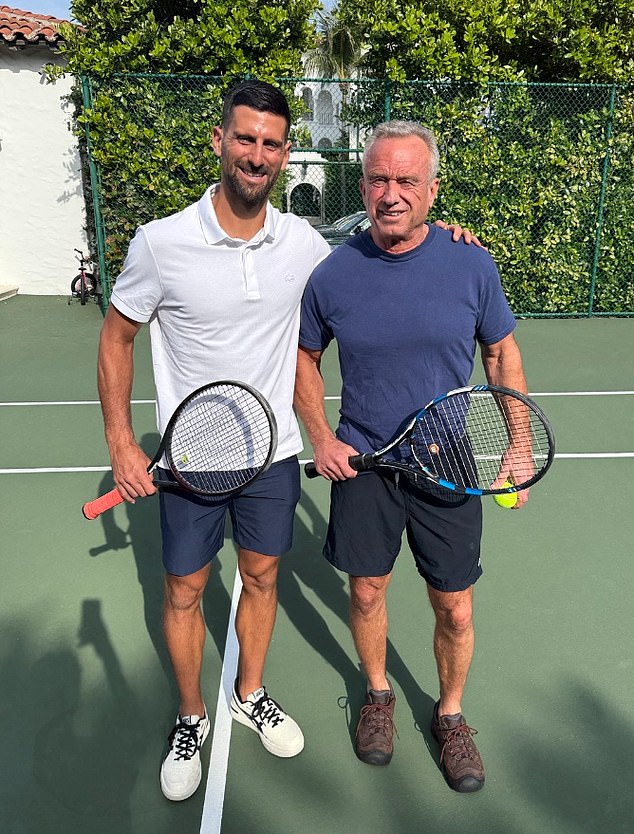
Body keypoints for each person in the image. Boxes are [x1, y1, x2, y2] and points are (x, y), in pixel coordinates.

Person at [96, 80, 476, 802]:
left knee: (263, 578)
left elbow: (388, 242)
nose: (258, 154)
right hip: (190, 458)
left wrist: (455, 238)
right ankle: (190, 716)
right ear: (219, 141)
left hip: (271, 458)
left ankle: (250, 691)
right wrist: (121, 441)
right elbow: (117, 338)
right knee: (183, 590)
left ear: (282, 155)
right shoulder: (161, 243)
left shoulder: (302, 243)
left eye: (272, 144)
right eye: (245, 138)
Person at [294, 120, 532, 794]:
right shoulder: (333, 275)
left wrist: (516, 441)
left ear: (431, 190)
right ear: (362, 184)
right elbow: (305, 361)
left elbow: (501, 354)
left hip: (449, 455)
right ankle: (377, 696)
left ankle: (450, 715)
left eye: (406, 180)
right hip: (366, 462)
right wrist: (321, 436)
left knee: (454, 607)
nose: (390, 193)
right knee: (367, 591)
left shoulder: (470, 262)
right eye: (378, 178)